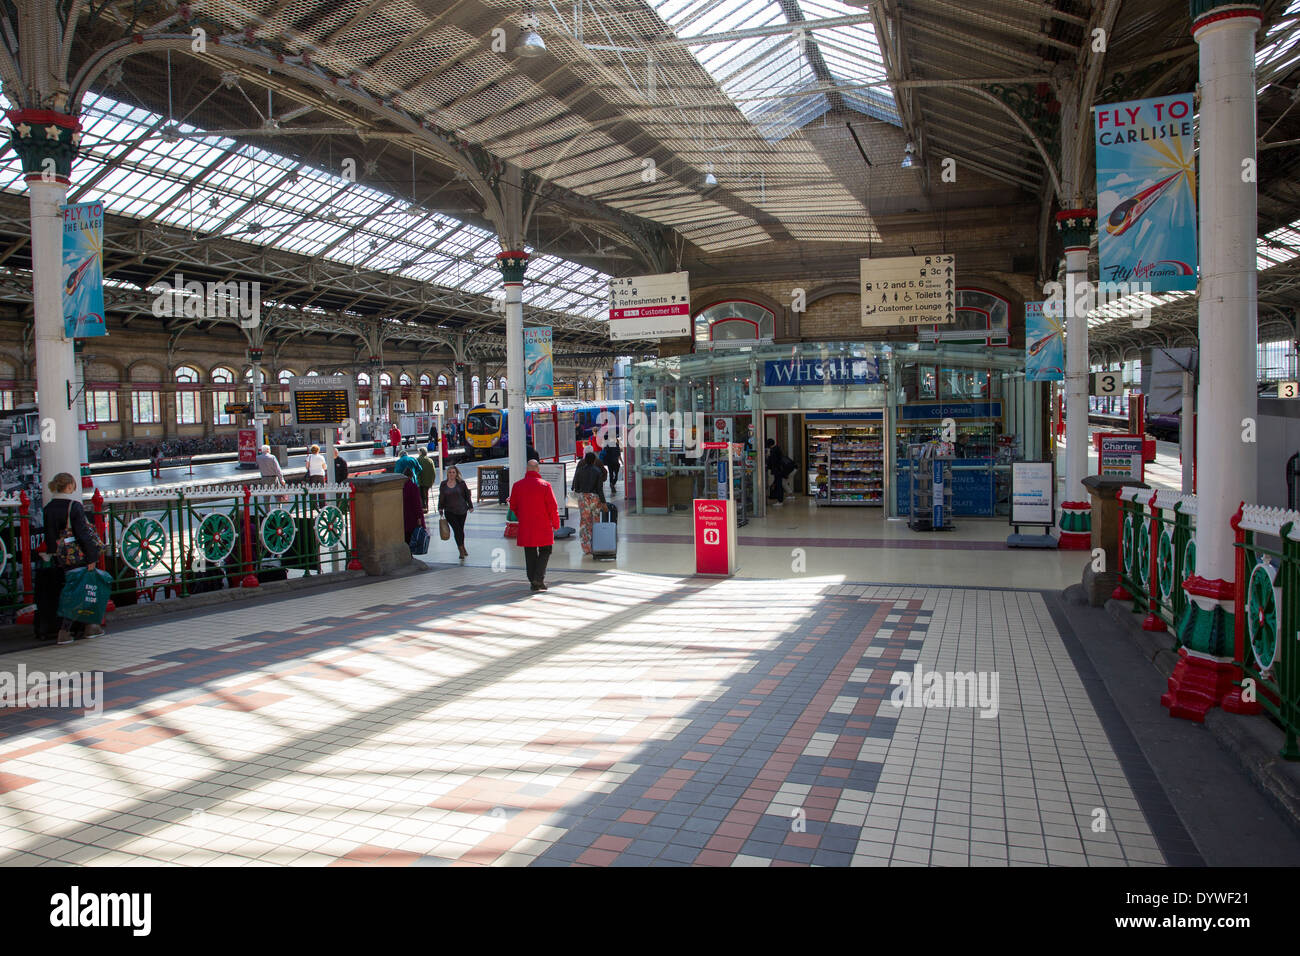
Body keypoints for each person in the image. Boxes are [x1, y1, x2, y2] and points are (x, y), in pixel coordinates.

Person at [39, 472, 103, 645]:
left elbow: (50, 537)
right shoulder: (74, 506)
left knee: (73, 590)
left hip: (62, 557)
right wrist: (92, 556)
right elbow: (82, 534)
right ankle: (79, 628)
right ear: (69, 486)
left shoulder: (49, 508)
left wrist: (54, 555)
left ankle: (75, 629)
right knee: (86, 589)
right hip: (79, 556)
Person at [508, 459, 559, 591]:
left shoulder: (517, 485)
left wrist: (522, 515)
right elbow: (552, 507)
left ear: (527, 470)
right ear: (538, 469)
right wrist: (556, 523)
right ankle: (538, 578)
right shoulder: (545, 485)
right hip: (543, 525)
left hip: (526, 525)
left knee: (529, 552)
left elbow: (513, 505)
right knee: (546, 550)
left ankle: (533, 580)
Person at [571, 450, 608, 556]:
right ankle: (595, 545)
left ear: (585, 460)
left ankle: (586, 548)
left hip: (583, 498)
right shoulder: (597, 471)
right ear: (594, 460)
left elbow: (576, 488)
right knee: (596, 521)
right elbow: (599, 489)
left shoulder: (580, 471)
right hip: (595, 498)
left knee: (584, 522)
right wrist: (604, 503)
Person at [438, 464, 474, 559]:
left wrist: (470, 506)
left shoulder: (461, 483)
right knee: (457, 530)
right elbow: (441, 497)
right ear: (447, 474)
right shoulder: (443, 484)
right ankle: (461, 550)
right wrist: (440, 508)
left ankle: (462, 546)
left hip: (462, 510)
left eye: (453, 472)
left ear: (456, 473)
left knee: (460, 530)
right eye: (449, 472)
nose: (451, 474)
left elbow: (467, 495)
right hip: (449, 511)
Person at [399, 463, 426, 545]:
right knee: (412, 538)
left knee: (405, 538)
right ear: (411, 476)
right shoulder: (413, 486)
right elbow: (417, 504)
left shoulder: (400, 487)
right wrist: (419, 518)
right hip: (412, 518)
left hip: (403, 517)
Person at [765, 438, 786, 505]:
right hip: (780, 469)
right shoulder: (777, 448)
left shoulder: (773, 451)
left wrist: (768, 465)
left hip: (777, 470)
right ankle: (780, 499)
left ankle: (780, 500)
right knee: (779, 483)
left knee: (778, 484)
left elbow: (773, 462)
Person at [416, 447, 437, 513]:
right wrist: (432, 480)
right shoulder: (430, 460)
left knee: (421, 495)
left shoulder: (418, 460)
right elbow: (433, 471)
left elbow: (417, 471)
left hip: (420, 481)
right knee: (426, 495)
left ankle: (423, 508)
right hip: (428, 481)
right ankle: (426, 507)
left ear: (421, 452)